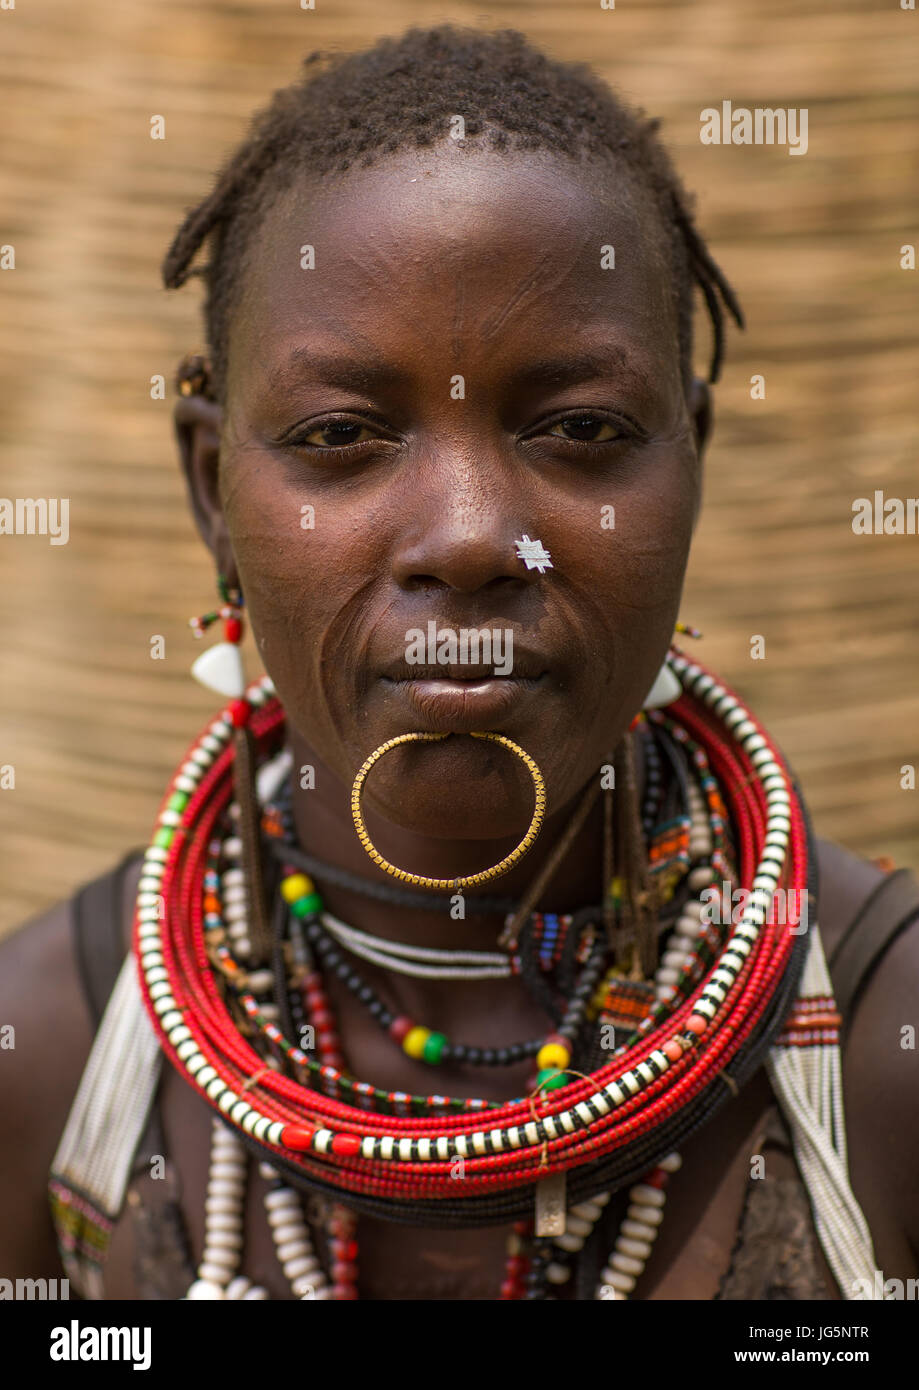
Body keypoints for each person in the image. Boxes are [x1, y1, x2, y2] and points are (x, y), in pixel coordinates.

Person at [2, 24, 918, 1303]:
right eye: (341, 434)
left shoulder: (880, 1045)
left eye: (582, 427)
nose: (474, 532)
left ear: (690, 465)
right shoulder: (45, 1055)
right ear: (214, 489)